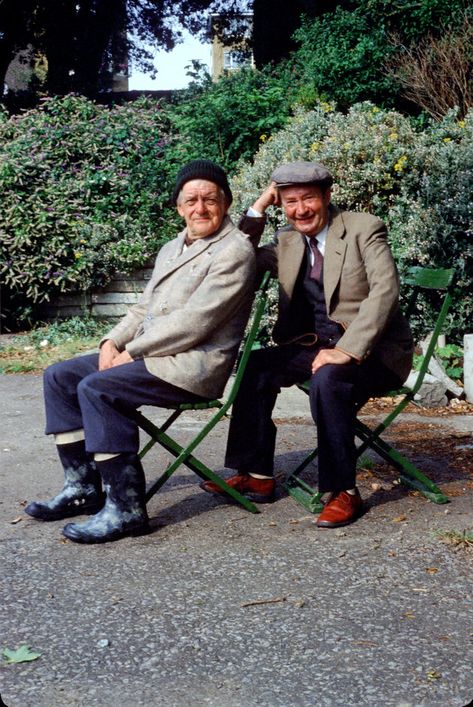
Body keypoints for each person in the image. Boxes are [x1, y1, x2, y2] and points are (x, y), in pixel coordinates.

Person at [25, 159, 256, 543]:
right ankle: (82, 488)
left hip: (192, 366)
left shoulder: (234, 250)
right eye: (191, 200)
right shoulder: (172, 247)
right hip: (151, 355)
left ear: (227, 203)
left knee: (97, 388)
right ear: (179, 207)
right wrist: (111, 342)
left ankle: (126, 509)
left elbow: (196, 322)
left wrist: (131, 352)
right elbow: (142, 309)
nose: (200, 208)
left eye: (210, 199)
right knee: (60, 376)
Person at [201, 161, 414, 528]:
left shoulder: (363, 228)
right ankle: (256, 474)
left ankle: (343, 491)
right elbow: (236, 258)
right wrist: (259, 207)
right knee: (256, 365)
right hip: (318, 346)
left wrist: (347, 349)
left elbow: (385, 291)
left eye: (308, 199)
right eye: (290, 201)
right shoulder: (288, 240)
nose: (300, 210)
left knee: (329, 378)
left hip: (374, 353)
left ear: (327, 197)